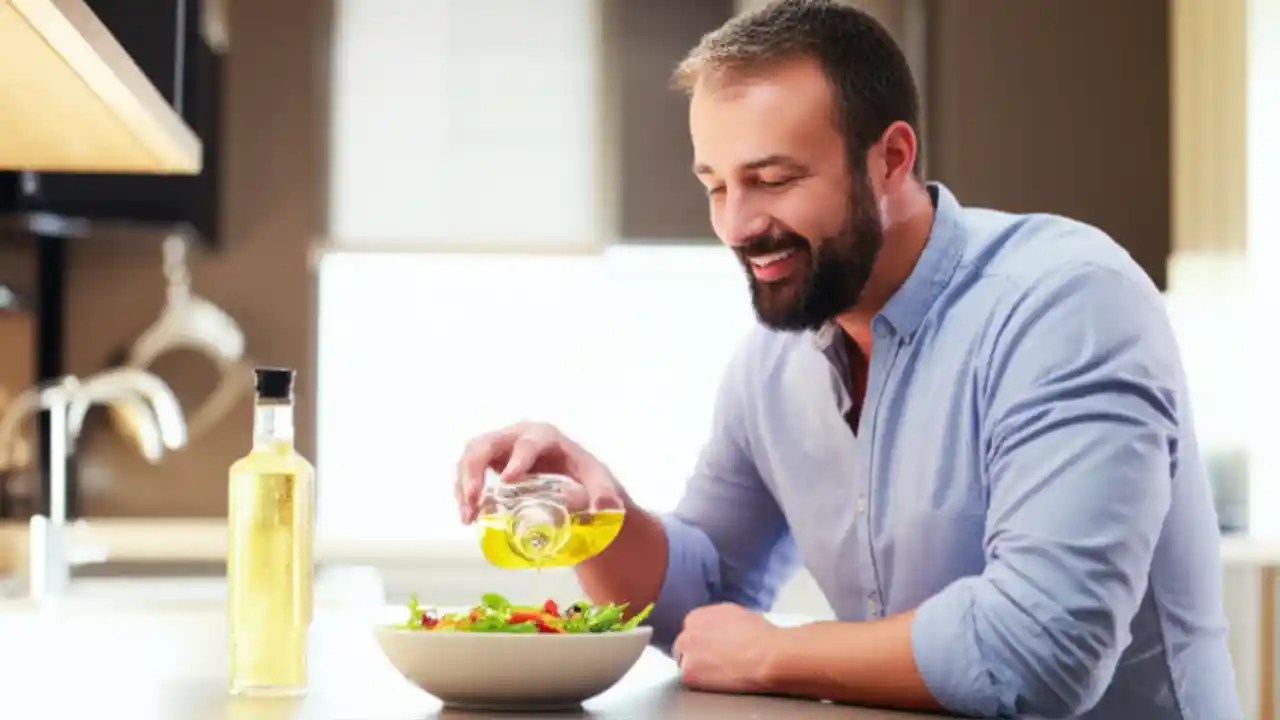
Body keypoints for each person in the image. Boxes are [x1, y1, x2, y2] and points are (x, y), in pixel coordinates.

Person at [453, 0, 1242, 717]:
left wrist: (772, 653)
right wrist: (602, 517)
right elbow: (707, 602)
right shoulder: (773, 363)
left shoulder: (1065, 303)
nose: (736, 224)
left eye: (772, 179)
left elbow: (1039, 651)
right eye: (716, 185)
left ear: (891, 158)